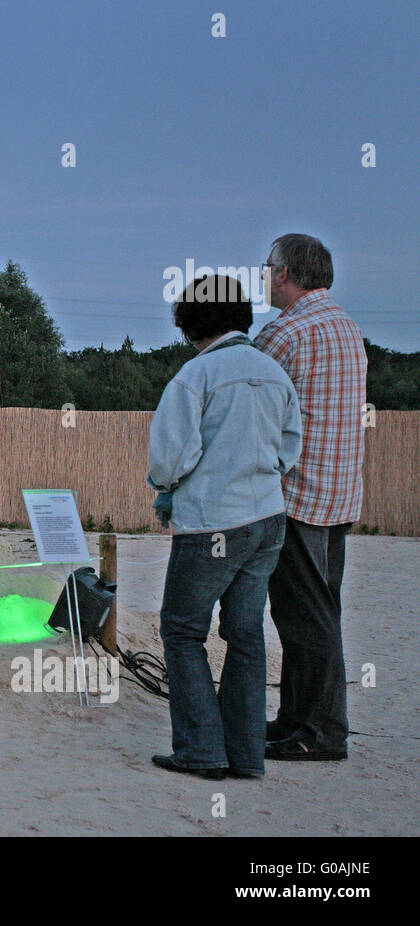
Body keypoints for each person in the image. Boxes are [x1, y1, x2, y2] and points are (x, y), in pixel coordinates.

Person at [148, 274, 302, 780]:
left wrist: (165, 488)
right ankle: (246, 754)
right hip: (267, 518)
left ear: (189, 325)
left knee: (183, 630)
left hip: (213, 523)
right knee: (245, 632)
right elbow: (288, 448)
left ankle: (200, 750)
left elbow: (173, 456)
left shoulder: (196, 377)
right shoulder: (274, 373)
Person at [254, 234, 367, 761]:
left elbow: (250, 412)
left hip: (298, 496)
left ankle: (321, 733)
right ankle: (296, 718)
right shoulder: (347, 327)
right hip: (340, 495)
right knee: (322, 611)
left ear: (285, 274)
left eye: (267, 266)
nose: (263, 274)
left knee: (304, 619)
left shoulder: (284, 332)